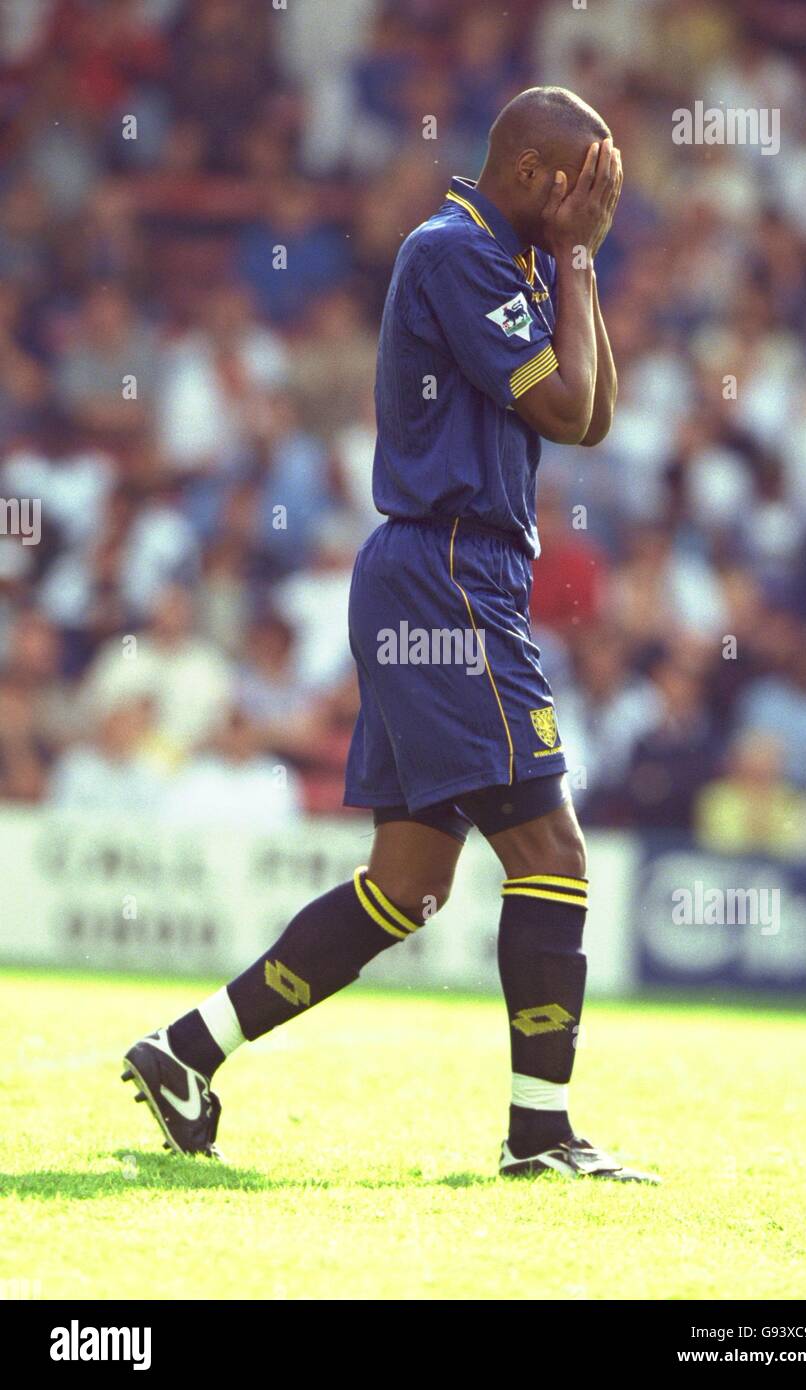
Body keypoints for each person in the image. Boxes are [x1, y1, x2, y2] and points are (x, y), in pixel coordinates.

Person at [122, 87, 658, 1184]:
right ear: (535, 176)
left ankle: (184, 1053)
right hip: (449, 573)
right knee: (551, 852)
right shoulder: (454, 251)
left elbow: (593, 414)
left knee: (408, 884)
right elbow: (565, 410)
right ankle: (540, 1135)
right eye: (584, 183)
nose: (596, 200)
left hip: (440, 576)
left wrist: (579, 267)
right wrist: (578, 263)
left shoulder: (512, 261)